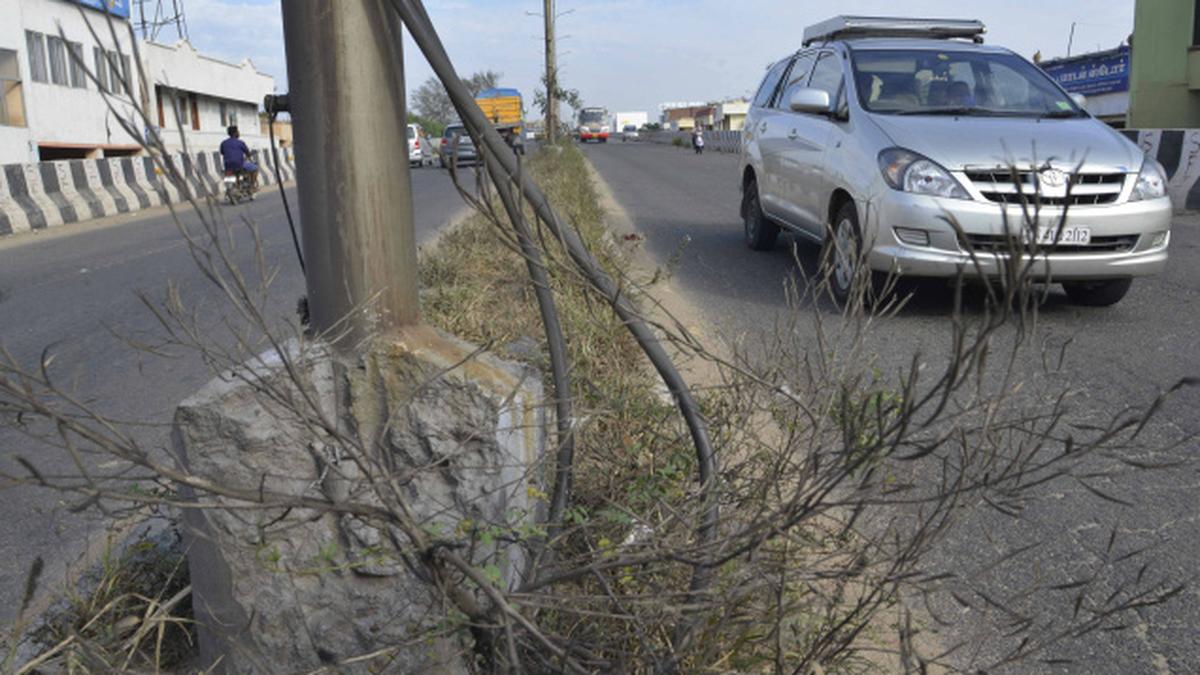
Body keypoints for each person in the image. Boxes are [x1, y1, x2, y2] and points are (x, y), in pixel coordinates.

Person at [220, 125, 259, 191]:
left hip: (227, 165)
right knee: (255, 168)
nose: (238, 133)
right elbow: (247, 153)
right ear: (235, 133)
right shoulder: (240, 143)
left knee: (235, 172)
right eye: (238, 131)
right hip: (239, 164)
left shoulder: (223, 143)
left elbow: (222, 152)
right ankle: (252, 186)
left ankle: (237, 185)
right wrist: (249, 154)